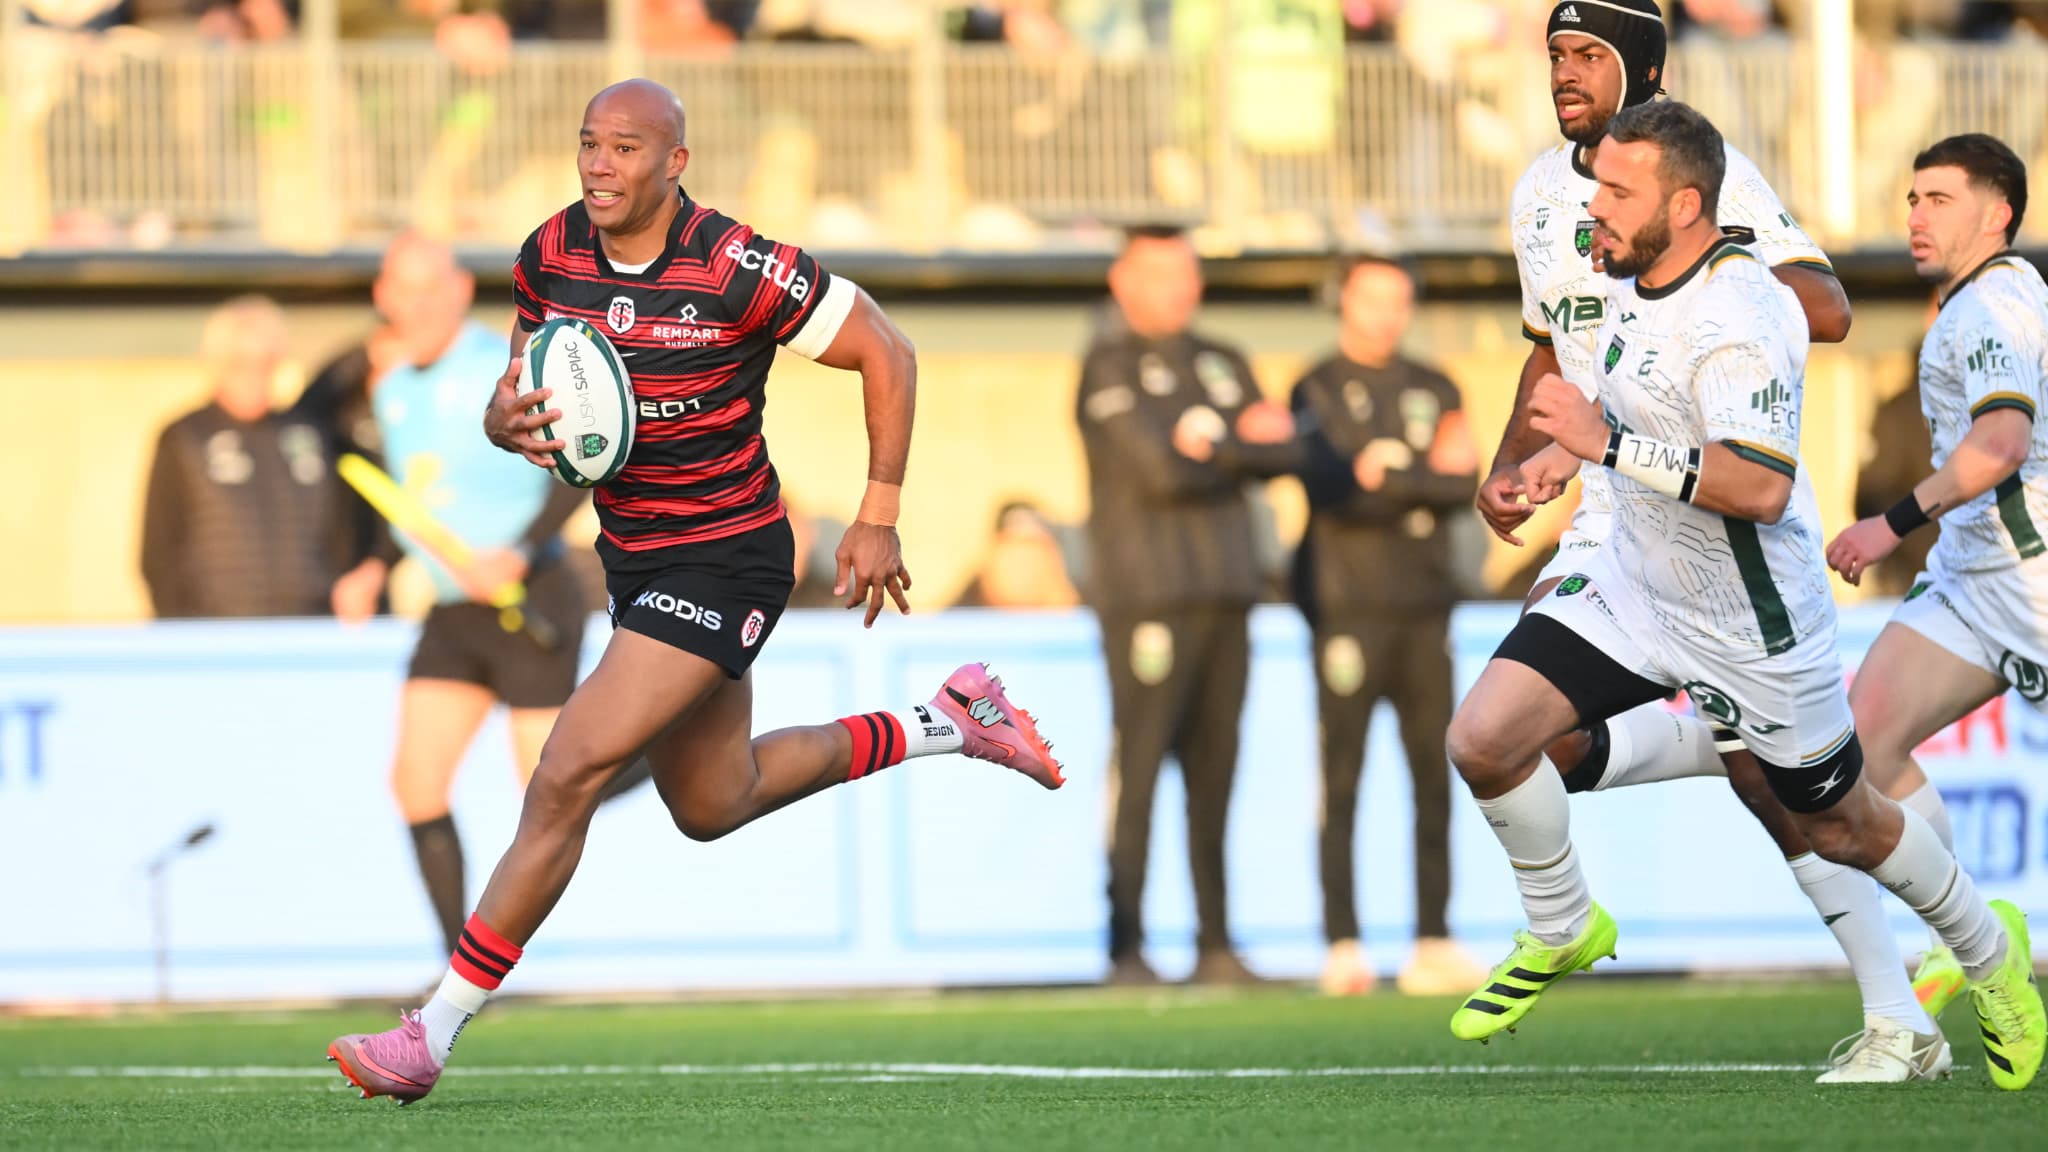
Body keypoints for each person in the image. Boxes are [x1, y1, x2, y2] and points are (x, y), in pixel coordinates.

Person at [324, 79, 1063, 1105]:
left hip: (728, 554)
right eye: (587, 143)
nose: (598, 165)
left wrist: (877, 512)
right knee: (714, 804)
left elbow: (885, 350)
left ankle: (432, 1032)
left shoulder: (735, 265)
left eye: (624, 148)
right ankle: (946, 721)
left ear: (675, 162)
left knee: (566, 766)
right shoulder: (549, 255)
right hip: (635, 558)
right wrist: (506, 424)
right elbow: (520, 394)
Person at [1449, 99, 2043, 1089]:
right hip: (1635, 585)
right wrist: (1551, 461)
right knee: (1485, 737)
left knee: (1838, 822)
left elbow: (1754, 486)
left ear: (1684, 205)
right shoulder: (1617, 280)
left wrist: (1595, 443)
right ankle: (1560, 924)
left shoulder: (1743, 311)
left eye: (1615, 190)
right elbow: (1622, 403)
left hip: (1748, 618)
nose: (1591, 203)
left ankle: (1986, 958)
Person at [1826, 135, 2048, 1072]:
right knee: (1858, 745)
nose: (1915, 214)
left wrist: (1888, 523)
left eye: (1940, 198)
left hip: (2034, 585)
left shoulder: (1993, 303)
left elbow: (1999, 444)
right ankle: (1972, 935)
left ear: (1997, 213)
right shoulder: (1983, 300)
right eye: (1911, 196)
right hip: (1972, 580)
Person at [326, 234, 596, 965]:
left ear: (456, 292)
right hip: (452, 609)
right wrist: (375, 567)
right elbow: (420, 499)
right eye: (399, 290)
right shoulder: (391, 386)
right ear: (383, 298)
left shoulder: (505, 367)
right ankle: (461, 964)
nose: (414, 305)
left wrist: (518, 550)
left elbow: (581, 470)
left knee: (555, 788)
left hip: (530, 593)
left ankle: (657, 744)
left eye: (428, 289)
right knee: (415, 782)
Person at [1076, 226, 1297, 986]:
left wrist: (1216, 443)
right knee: (1138, 769)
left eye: (1186, 273)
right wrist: (1240, 443)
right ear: (1123, 281)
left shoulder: (1224, 358)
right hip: (1147, 596)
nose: (1177, 288)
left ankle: (1215, 943)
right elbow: (1158, 470)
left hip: (1229, 591)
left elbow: (1288, 451)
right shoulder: (1105, 364)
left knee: (1215, 773)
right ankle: (1126, 946)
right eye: (1159, 272)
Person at [1287, 255, 1485, 997]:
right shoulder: (1316, 385)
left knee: (1435, 773)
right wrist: (1411, 481)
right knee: (1342, 777)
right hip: (1345, 607)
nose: (1386, 314)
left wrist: (1390, 475)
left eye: (1398, 300)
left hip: (1425, 605)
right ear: (1347, 303)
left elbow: (1460, 482)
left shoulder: (1436, 386)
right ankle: (1342, 943)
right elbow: (1330, 484)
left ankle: (1432, 938)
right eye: (1372, 299)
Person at [141, 295, 346, 619]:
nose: (254, 374)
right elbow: (160, 554)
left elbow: (340, 538)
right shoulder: (184, 437)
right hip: (216, 640)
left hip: (307, 636)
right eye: (241, 361)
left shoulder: (309, 434)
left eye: (265, 362)